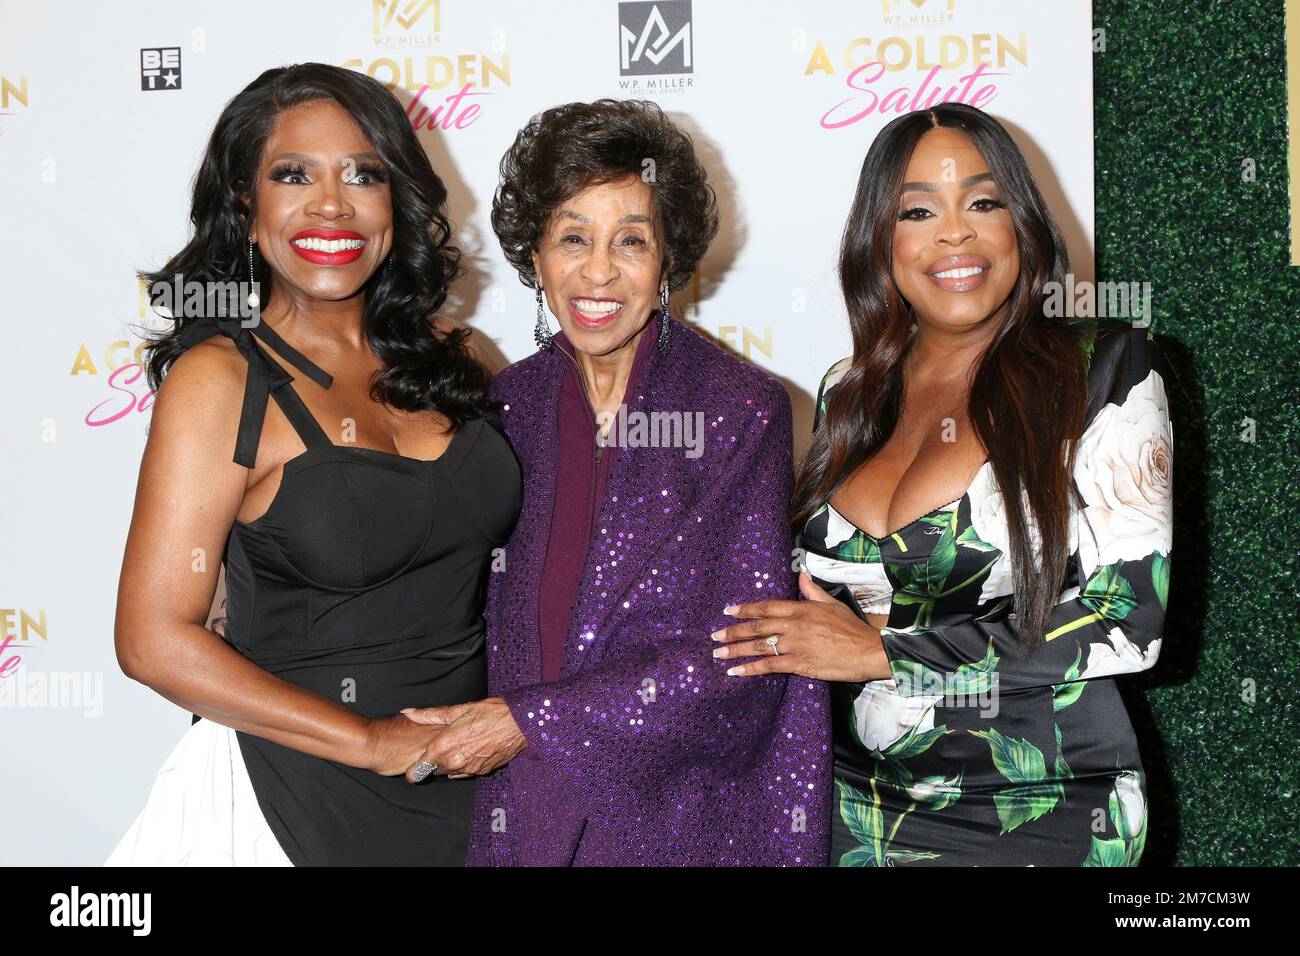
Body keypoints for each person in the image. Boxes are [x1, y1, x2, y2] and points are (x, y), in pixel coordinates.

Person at [713, 103, 1171, 866]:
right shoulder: (850, 393)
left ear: (1022, 224)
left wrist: (884, 655)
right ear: (880, 242)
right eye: (918, 210)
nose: (954, 232)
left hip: (1042, 807)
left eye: (983, 203)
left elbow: (1128, 617)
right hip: (855, 807)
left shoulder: (1102, 369)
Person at [106, 63, 520, 866]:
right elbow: (151, 638)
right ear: (244, 205)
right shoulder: (221, 380)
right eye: (292, 174)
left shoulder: (462, 358)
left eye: (363, 174)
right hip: (295, 796)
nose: (331, 203)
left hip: (481, 786)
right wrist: (370, 739)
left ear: (396, 201)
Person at [400, 99, 830, 865]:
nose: (598, 271)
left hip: (671, 816)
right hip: (520, 809)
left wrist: (534, 720)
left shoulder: (740, 410)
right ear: (534, 256)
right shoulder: (500, 409)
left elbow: (746, 654)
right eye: (572, 238)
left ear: (669, 261)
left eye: (630, 240)